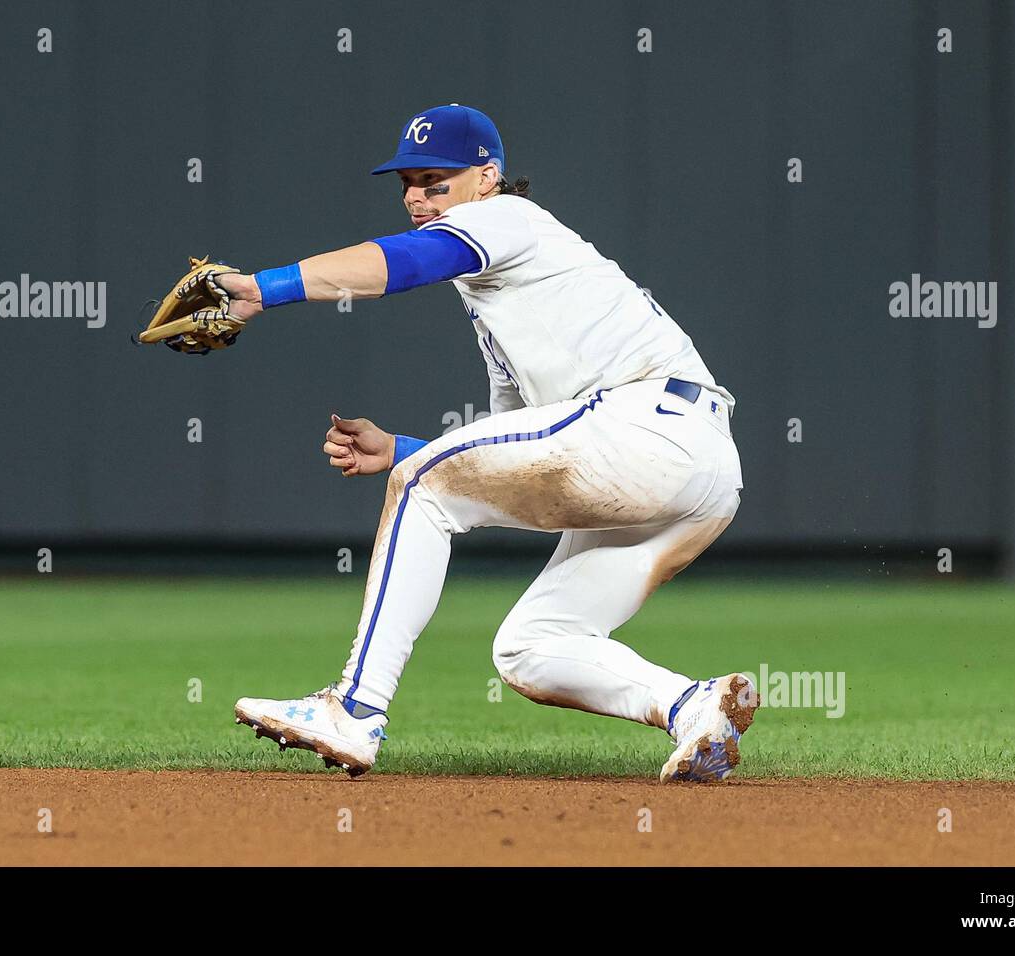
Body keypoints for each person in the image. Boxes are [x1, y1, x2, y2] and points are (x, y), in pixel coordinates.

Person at [223, 104, 756, 783]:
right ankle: (694, 708)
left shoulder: (506, 218)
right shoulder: (499, 290)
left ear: (487, 176)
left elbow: (404, 263)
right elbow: (514, 445)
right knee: (532, 649)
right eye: (406, 183)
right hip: (695, 471)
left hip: (644, 424)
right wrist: (403, 449)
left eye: (434, 180)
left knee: (425, 487)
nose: (417, 196)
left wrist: (261, 289)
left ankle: (352, 711)